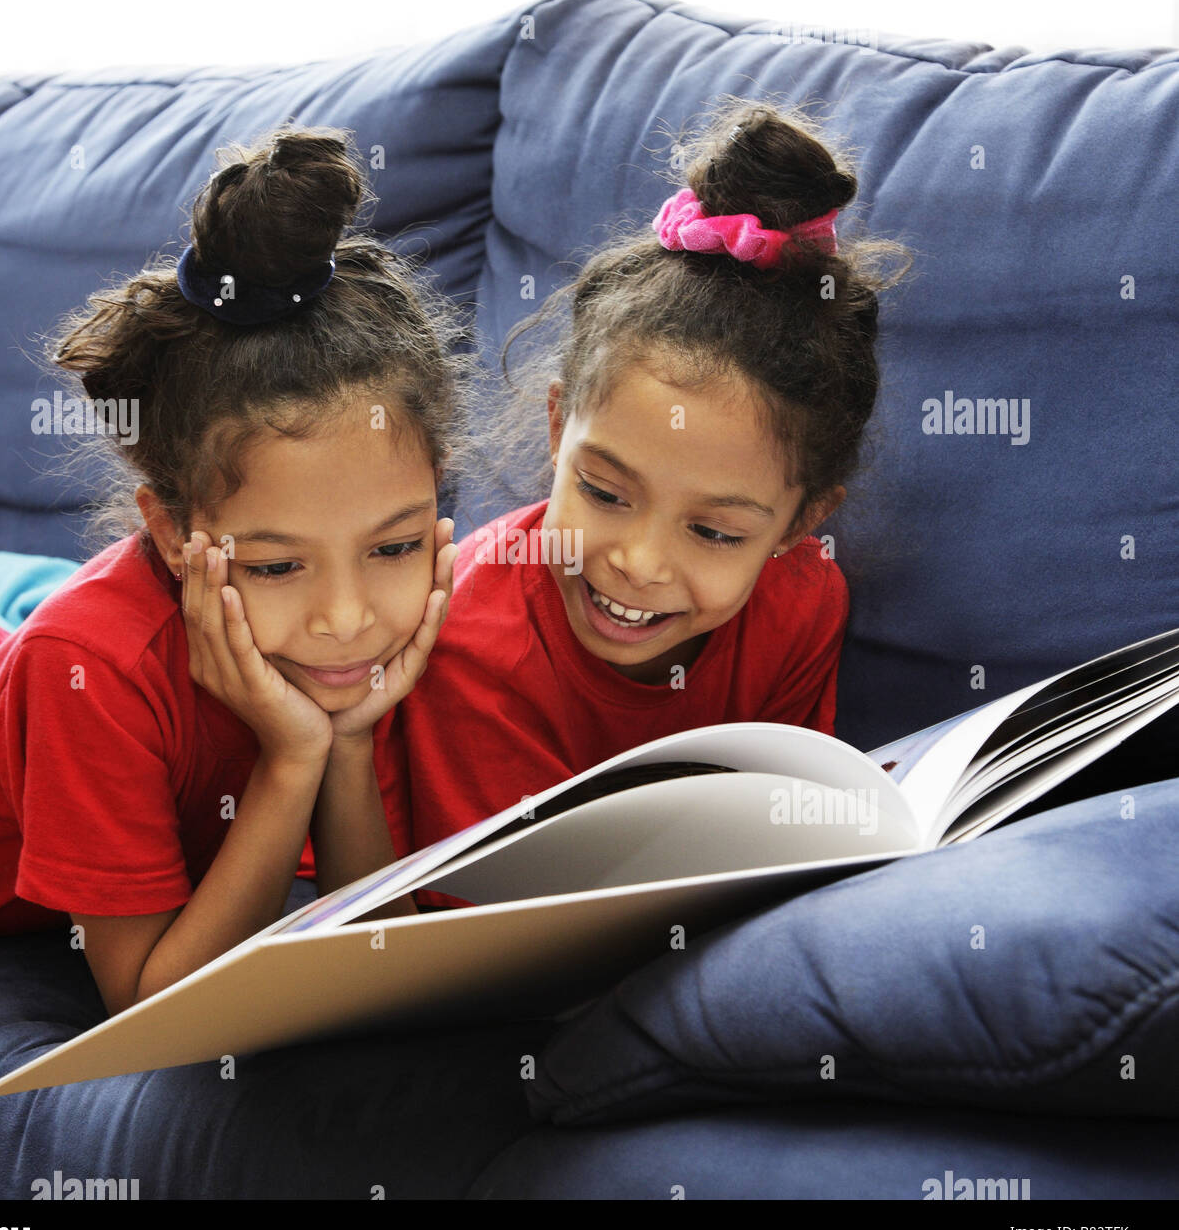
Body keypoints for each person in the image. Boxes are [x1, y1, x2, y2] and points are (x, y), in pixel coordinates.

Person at [0, 124, 471, 1010]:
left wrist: (343, 743)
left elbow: (371, 940)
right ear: (168, 533)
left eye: (395, 546)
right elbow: (151, 998)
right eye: (276, 567)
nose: (347, 616)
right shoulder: (88, 670)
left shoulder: (361, 639)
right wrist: (290, 758)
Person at [355, 96, 913, 886]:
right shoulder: (474, 637)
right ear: (558, 432)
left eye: (715, 532)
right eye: (605, 493)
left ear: (800, 523)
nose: (638, 563)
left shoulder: (802, 598)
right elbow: (496, 917)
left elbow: (780, 832)